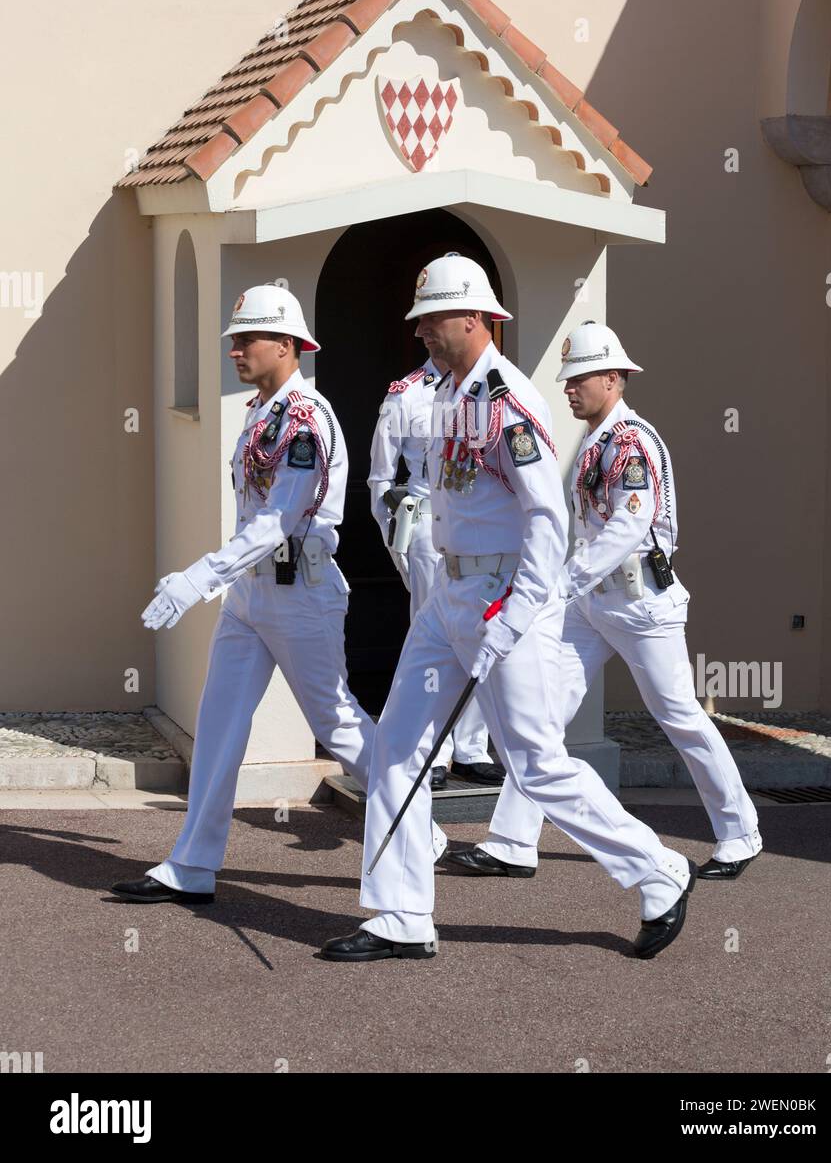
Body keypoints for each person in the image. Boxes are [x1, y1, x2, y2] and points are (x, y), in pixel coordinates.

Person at [320, 256, 697, 962]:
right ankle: (401, 914)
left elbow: (546, 519)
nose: (424, 331)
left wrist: (517, 615)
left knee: (536, 761)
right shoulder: (442, 397)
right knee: (398, 746)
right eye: (421, 320)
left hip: (501, 598)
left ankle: (660, 870)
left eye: (434, 319)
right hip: (446, 597)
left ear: (473, 317)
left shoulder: (509, 401)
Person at [111, 284, 445, 905]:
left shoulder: (305, 420)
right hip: (251, 593)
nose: (235, 350)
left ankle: (416, 817)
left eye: (248, 339)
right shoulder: (259, 412)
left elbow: (277, 522)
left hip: (301, 591)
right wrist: (222, 578)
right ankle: (193, 863)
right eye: (234, 340)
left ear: (288, 345)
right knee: (218, 724)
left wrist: (197, 577)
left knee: (337, 724)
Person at [449, 321, 762, 882]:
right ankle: (513, 842)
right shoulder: (597, 438)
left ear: (614, 379)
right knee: (542, 720)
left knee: (680, 717)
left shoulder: (631, 439)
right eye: (568, 379)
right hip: (593, 604)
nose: (570, 388)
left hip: (641, 604)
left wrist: (565, 579)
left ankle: (740, 833)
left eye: (582, 378)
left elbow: (630, 522)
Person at [368, 342, 505, 789]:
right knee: (436, 640)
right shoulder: (407, 395)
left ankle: (469, 747)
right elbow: (381, 479)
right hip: (427, 527)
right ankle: (434, 753)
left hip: (482, 530)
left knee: (482, 633)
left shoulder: (491, 389)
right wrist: (400, 546)